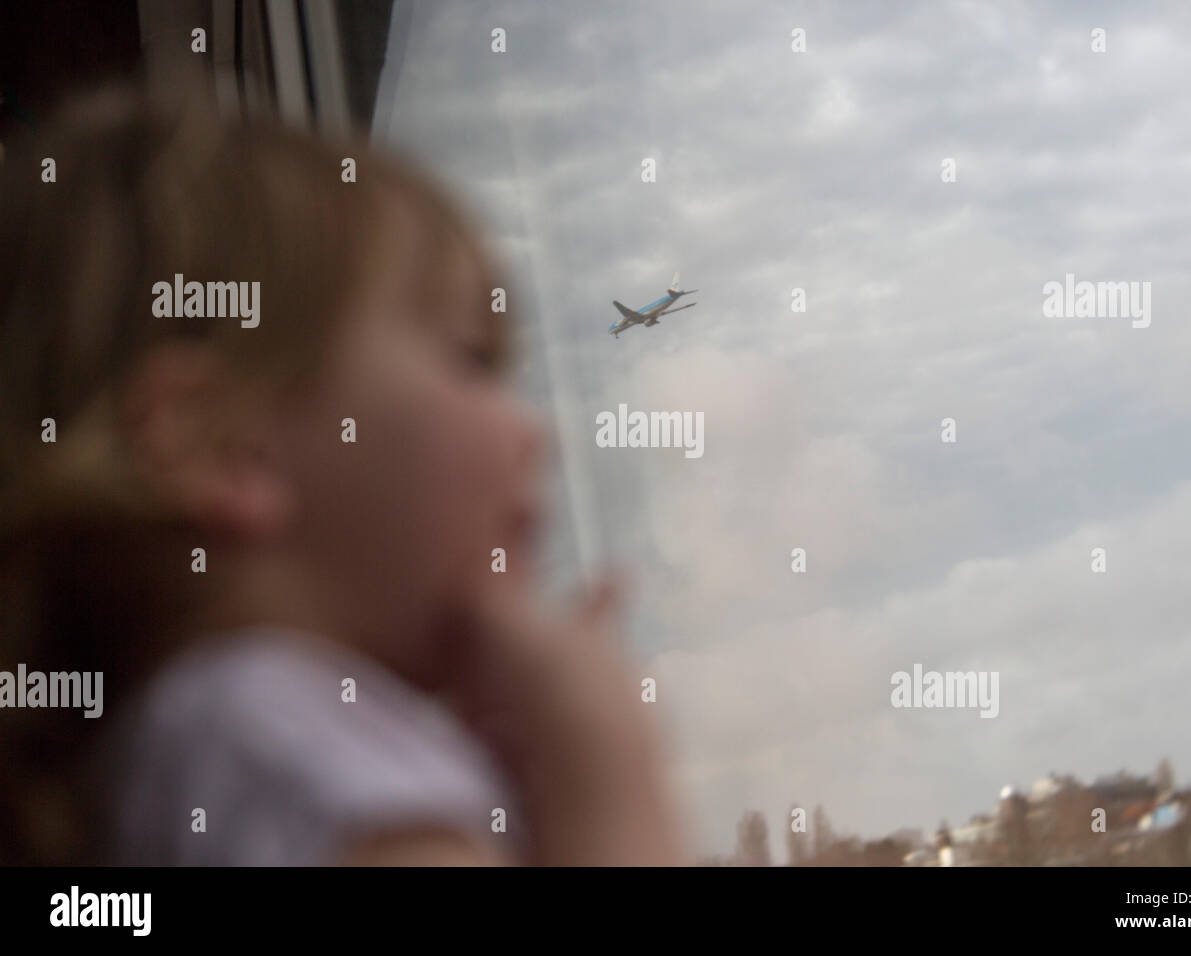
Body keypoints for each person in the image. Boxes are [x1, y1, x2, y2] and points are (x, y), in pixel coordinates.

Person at [0, 86, 684, 866]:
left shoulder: (208, 754)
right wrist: (610, 781)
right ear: (223, 445)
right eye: (469, 358)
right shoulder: (266, 740)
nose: (537, 432)